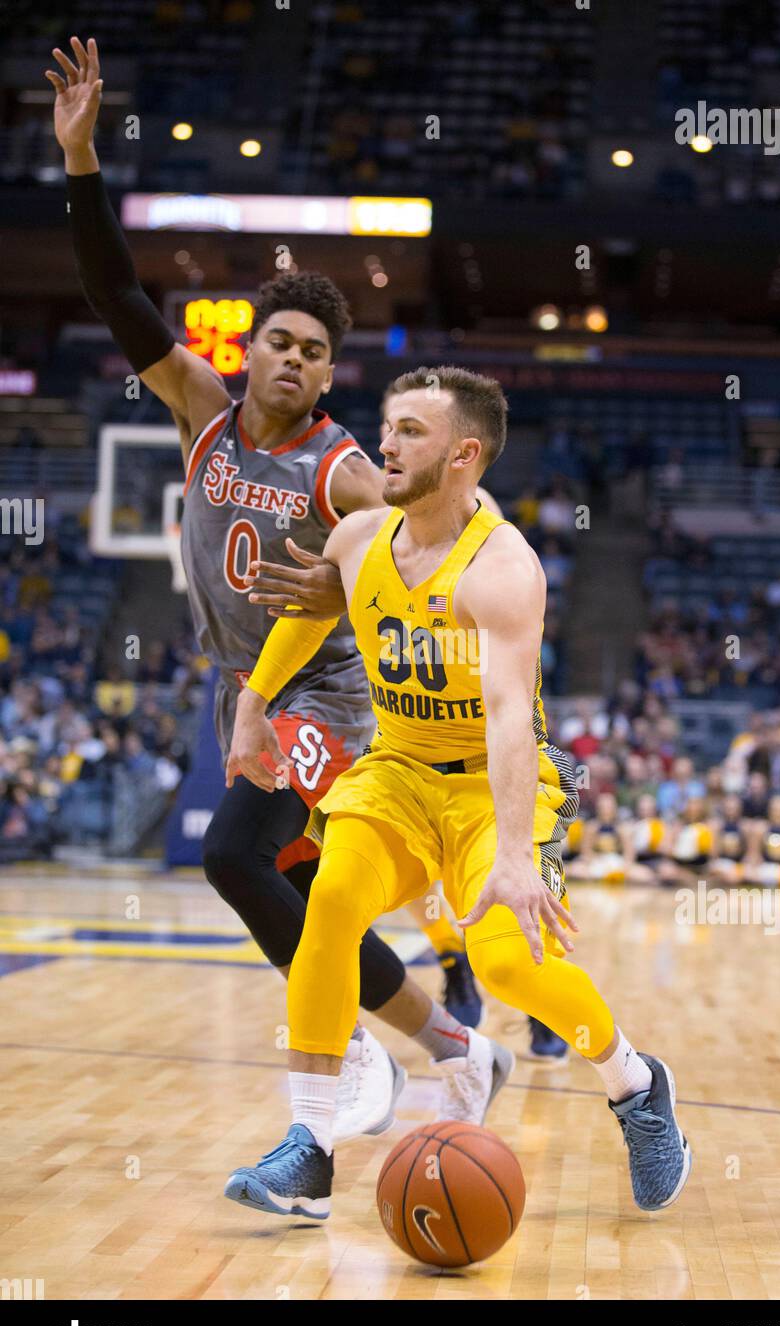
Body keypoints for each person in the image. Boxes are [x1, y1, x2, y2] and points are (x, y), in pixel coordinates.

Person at [49, 34, 502, 1143]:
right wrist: (80, 163)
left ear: (329, 375)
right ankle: (447, 1040)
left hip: (332, 697)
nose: (294, 360)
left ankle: (343, 1048)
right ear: (249, 353)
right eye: (281, 343)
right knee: (297, 892)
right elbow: (117, 297)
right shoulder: (200, 410)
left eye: (314, 351)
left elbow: (436, 519)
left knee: (227, 851)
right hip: (244, 683)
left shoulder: (343, 466)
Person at [224, 366, 692, 1220]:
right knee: (327, 904)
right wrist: (255, 704)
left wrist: (515, 855)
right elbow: (309, 617)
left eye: (409, 432)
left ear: (464, 455)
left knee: (506, 963)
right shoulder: (359, 538)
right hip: (398, 771)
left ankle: (635, 1084)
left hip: (493, 785)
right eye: (387, 425)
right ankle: (310, 1150)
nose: (384, 445)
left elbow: (513, 716)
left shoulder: (504, 568)